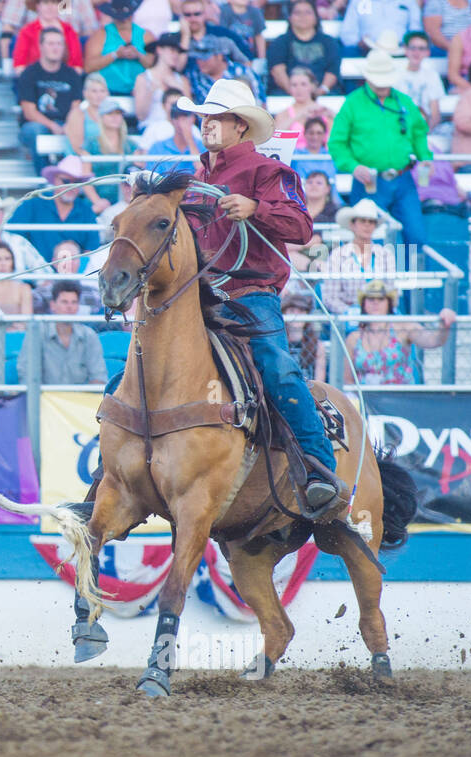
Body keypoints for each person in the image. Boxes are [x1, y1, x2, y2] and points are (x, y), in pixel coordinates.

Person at [177, 79, 342, 506]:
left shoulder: (268, 173)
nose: (207, 124)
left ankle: (318, 466)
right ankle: (113, 470)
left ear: (240, 127)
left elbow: (302, 228)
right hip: (195, 298)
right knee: (139, 359)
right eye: (204, 117)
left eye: (217, 117)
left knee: (277, 366)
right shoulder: (194, 180)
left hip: (250, 293)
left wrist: (256, 208)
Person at [328, 48, 432, 253]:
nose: (383, 85)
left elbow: (419, 132)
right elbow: (336, 143)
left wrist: (426, 158)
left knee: (416, 236)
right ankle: (370, 284)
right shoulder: (353, 103)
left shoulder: (404, 101)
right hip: (368, 181)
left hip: (403, 179)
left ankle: (411, 285)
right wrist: (353, 166)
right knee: (368, 240)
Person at [343, 280, 456, 383]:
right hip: (367, 400)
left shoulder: (404, 328)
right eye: (371, 299)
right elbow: (347, 379)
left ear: (389, 303)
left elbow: (433, 340)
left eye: (381, 299)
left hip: (401, 399)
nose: (375, 303)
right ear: (363, 303)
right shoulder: (354, 338)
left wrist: (444, 324)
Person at [18, 28, 85, 174]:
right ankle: (45, 181)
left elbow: (76, 107)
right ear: (41, 46)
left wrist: (68, 126)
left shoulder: (72, 74)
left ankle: (74, 179)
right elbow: (29, 112)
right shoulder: (29, 74)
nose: (55, 48)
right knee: (36, 131)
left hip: (66, 123)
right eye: (51, 43)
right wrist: (53, 126)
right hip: (37, 124)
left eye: (59, 44)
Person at [11, 155, 101, 260]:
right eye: (66, 181)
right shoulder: (31, 206)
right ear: (54, 180)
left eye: (76, 182)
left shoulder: (86, 211)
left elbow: (91, 250)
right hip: (35, 273)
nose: (71, 187)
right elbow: (14, 240)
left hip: (73, 274)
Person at [17, 281, 106, 384]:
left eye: (74, 302)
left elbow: (99, 377)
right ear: (53, 305)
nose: (69, 307)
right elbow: (27, 374)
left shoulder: (89, 335)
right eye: (64, 302)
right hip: (44, 398)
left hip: (80, 398)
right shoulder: (37, 333)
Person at [319, 198, 396, 314]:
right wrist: (350, 313)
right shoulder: (337, 255)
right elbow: (330, 298)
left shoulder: (386, 255)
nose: (367, 225)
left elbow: (391, 291)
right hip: (348, 315)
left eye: (371, 222)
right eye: (362, 221)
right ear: (352, 225)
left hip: (381, 315)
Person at [267, 0, 341, 96]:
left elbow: (332, 70)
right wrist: (295, 92)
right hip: (287, 92)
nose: (303, 16)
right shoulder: (279, 42)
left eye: (308, 12)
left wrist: (320, 91)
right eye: (297, 13)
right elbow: (278, 71)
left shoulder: (329, 42)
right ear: (290, 17)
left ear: (316, 17)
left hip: (322, 93)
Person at [134, 35, 189, 133]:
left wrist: (177, 87)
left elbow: (190, 113)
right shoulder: (143, 78)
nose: (175, 55)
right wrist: (150, 91)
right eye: (172, 50)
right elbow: (141, 116)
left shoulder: (182, 80)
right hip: (151, 128)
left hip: (178, 129)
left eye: (178, 52)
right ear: (159, 50)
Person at [185, 34, 264, 104]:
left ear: (219, 56)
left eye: (204, 58)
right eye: (198, 58)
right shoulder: (193, 75)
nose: (200, 62)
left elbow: (260, 103)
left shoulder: (244, 72)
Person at [16, 0, 84, 73]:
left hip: (65, 80)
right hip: (34, 78)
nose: (50, 7)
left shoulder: (69, 31)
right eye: (45, 3)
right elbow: (19, 66)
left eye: (54, 3)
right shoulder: (27, 31)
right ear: (38, 6)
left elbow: (77, 66)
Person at [273, 67, 335, 147]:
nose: (299, 89)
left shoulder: (325, 112)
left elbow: (335, 140)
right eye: (294, 85)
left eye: (303, 84)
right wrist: (299, 115)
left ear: (312, 86)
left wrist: (332, 115)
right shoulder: (283, 114)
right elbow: (276, 138)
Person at [141, 102, 205, 175]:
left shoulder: (203, 147)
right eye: (176, 118)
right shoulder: (157, 147)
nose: (180, 122)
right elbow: (150, 178)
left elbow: (202, 171)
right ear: (171, 120)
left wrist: (190, 141)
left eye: (185, 117)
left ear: (193, 118)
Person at [397, 32, 444, 130]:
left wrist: (425, 133)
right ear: (405, 49)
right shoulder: (396, 75)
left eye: (421, 48)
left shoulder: (432, 76)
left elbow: (435, 114)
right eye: (413, 48)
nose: (416, 52)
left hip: (424, 126)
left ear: (428, 52)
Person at [341, 0, 422, 56]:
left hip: (401, 51)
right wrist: (359, 43)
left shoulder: (409, 2)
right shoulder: (358, 2)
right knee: (348, 52)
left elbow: (416, 29)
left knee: (420, 52)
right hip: (366, 51)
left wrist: (409, 43)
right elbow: (347, 33)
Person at [280, 289, 327, 382]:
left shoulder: (317, 345)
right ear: (284, 313)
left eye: (301, 311)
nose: (296, 315)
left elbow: (320, 381)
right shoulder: (279, 343)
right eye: (292, 310)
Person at [0, 242, 34, 330]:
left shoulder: (24, 289)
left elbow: (27, 321)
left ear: (13, 262)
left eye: (7, 259)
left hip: (17, 336)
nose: (3, 263)